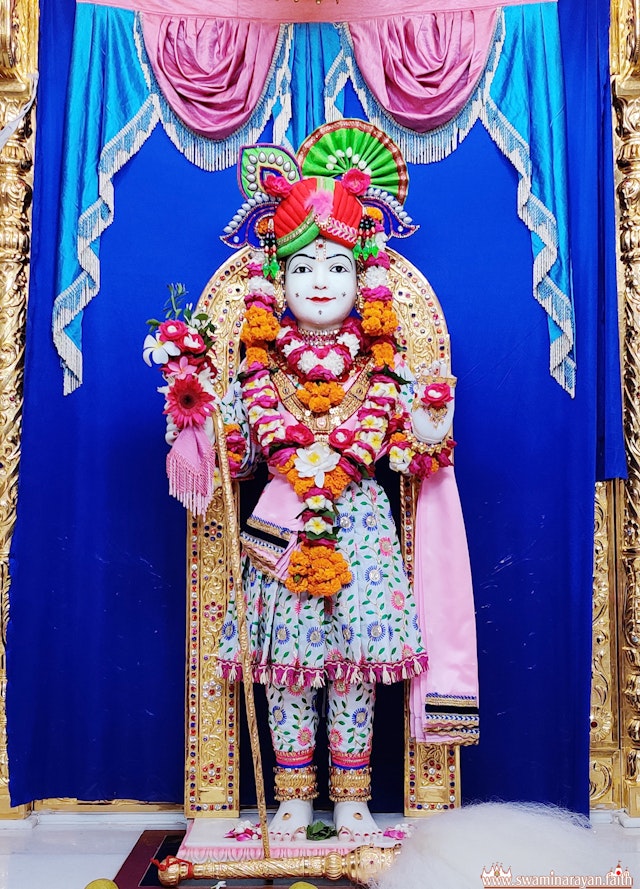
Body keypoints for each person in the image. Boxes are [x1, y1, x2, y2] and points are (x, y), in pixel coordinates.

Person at [154, 121, 477, 844]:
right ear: (279, 280)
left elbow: (411, 459)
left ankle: (354, 798)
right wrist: (196, 405)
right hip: (281, 536)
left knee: (354, 668)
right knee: (290, 671)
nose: (321, 282)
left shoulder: (382, 370)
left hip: (360, 536)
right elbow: (234, 460)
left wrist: (430, 419)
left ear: (362, 280)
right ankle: (295, 798)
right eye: (303, 268)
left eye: (335, 266)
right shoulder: (259, 373)